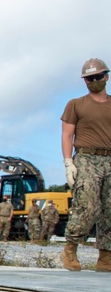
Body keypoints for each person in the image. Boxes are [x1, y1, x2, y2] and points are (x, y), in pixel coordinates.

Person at [60, 58, 111, 272]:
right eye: (89, 78)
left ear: (106, 76)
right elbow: (66, 134)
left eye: (97, 76)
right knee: (87, 205)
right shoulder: (76, 104)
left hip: (109, 158)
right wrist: (68, 162)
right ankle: (70, 248)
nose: (93, 81)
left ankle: (106, 256)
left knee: (109, 209)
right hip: (86, 158)